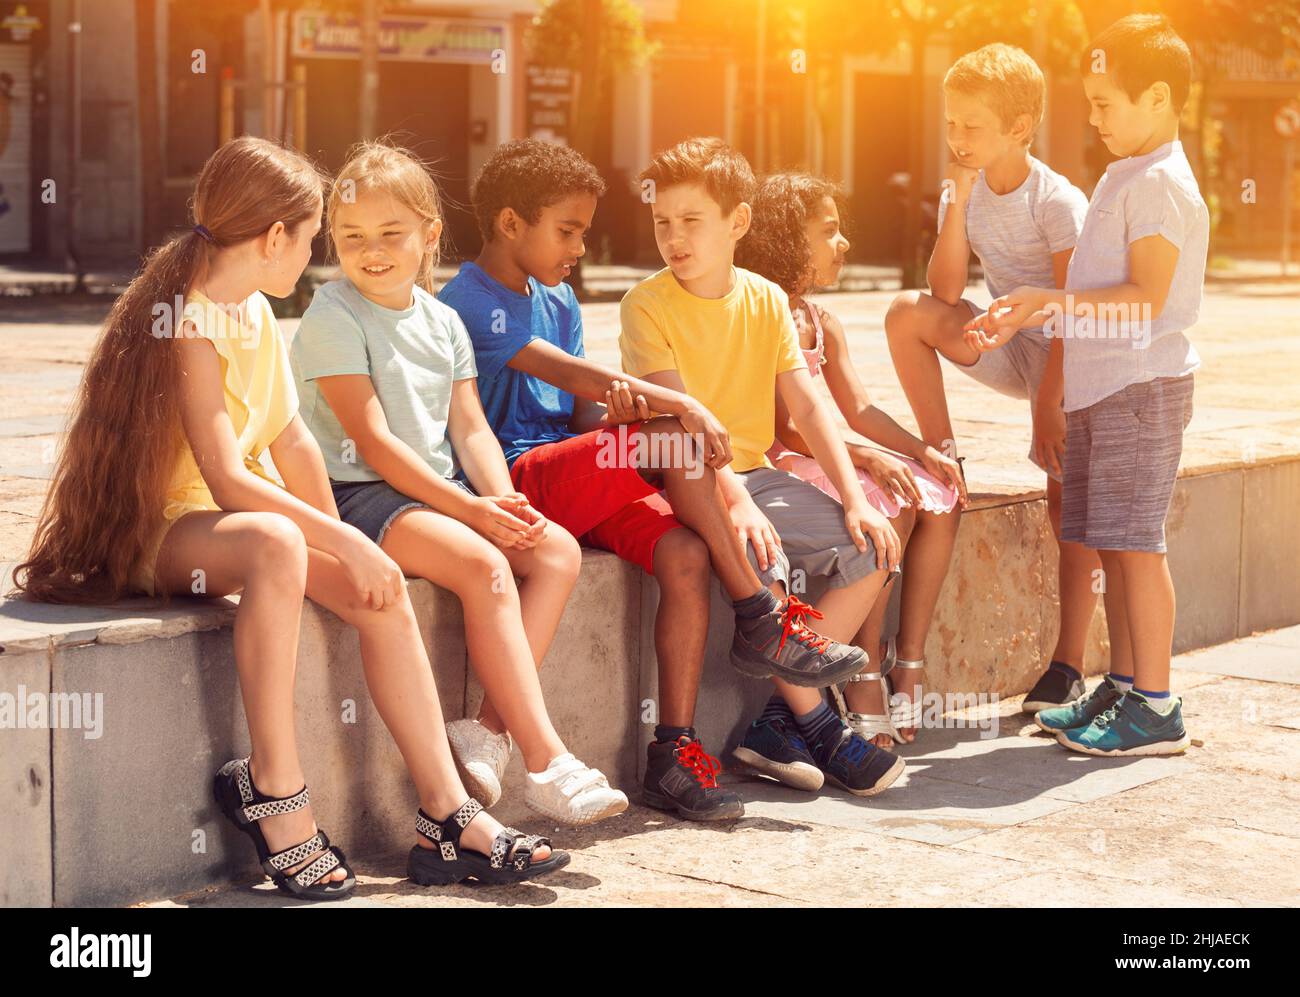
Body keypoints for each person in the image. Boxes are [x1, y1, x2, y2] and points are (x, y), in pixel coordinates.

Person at [15, 137, 568, 895]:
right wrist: (339, 533)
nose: (313, 258)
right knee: (281, 540)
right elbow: (227, 478)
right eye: (312, 239)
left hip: (229, 531)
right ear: (275, 237)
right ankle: (274, 788)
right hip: (161, 536)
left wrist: (355, 555)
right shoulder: (191, 321)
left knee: (378, 588)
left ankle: (448, 816)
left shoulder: (251, 314)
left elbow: (294, 440)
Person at [291, 139, 626, 825]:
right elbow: (374, 443)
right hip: (360, 495)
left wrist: (502, 497)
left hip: (435, 490)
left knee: (555, 550)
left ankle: (485, 729)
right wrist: (474, 513)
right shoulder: (333, 313)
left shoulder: (444, 321)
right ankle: (544, 757)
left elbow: (470, 427)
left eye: (391, 233)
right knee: (484, 564)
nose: (371, 249)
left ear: (430, 234)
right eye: (352, 235)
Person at [965, 14, 1205, 756]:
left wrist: (1049, 303)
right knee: (1109, 540)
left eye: (1106, 103)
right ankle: (1126, 684)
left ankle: (1156, 706)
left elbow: (1146, 298)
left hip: (1142, 386)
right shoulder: (1126, 170)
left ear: (1158, 97)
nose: (1093, 117)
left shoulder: (1161, 182)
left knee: (1136, 546)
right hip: (1105, 387)